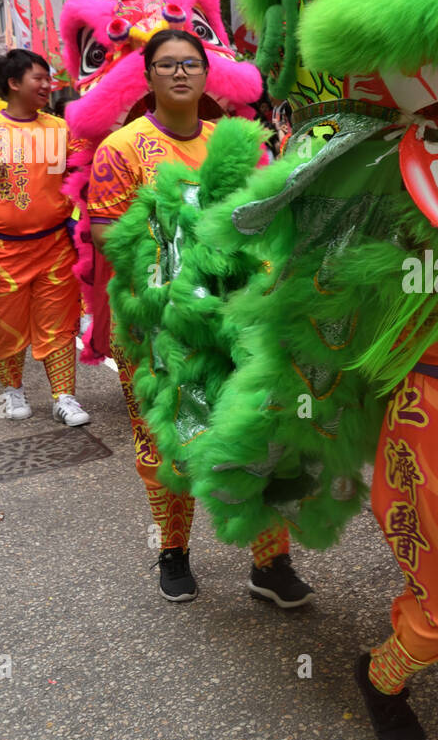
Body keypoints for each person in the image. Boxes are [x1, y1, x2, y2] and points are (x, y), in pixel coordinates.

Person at [88, 30, 312, 607]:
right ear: (148, 76)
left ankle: (271, 562)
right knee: (167, 443)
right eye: (167, 65)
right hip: (158, 324)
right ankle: (173, 550)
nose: (180, 73)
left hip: (233, 321)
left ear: (207, 75)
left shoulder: (229, 143)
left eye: (191, 63)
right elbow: (109, 238)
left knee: (254, 431)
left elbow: (257, 219)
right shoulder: (122, 149)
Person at [0, 49, 88, 425]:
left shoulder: (59, 129)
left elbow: (80, 174)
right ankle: (13, 391)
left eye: (49, 78)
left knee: (59, 323)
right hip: (2, 250)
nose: (48, 85)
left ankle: (64, 396)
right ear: (14, 84)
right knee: (5, 325)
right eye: (39, 78)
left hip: (55, 247)